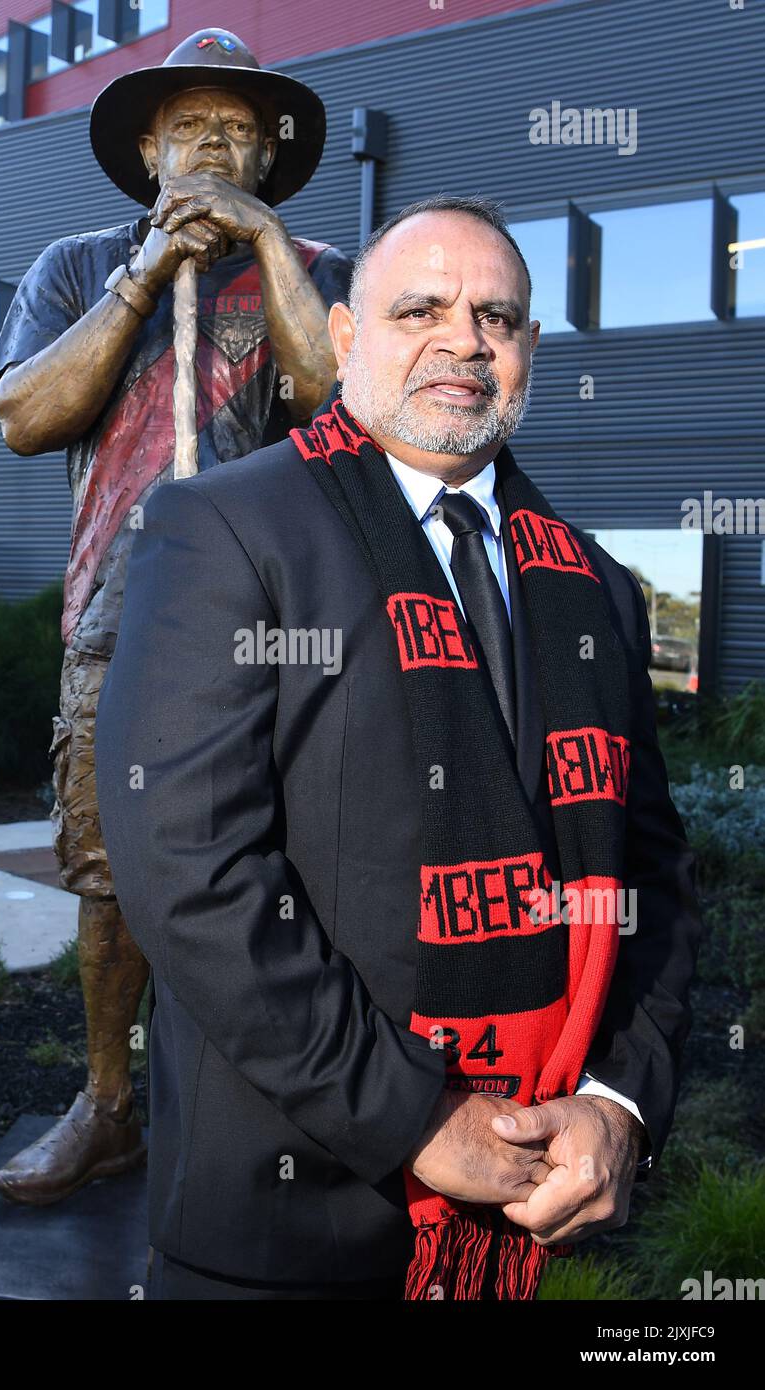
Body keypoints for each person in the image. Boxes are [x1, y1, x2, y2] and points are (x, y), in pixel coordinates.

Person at [94, 194, 702, 1300]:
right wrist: (416, 1115)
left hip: (523, 1219)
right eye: (419, 306)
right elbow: (191, 872)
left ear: (528, 353)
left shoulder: (598, 588)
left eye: (498, 318)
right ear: (341, 340)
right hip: (281, 1235)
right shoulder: (227, 530)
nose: (463, 340)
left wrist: (620, 1105)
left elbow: (651, 879)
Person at [0, 28, 351, 1205]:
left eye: (238, 131)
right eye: (190, 126)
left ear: (267, 159)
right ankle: (107, 1105)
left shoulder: (314, 265)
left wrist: (262, 247)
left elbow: (335, 408)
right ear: (148, 149)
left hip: (281, 613)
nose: (213, 145)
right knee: (110, 874)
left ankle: (272, 1106)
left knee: (290, 858)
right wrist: (143, 275)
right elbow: (27, 415)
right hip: (119, 613)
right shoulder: (72, 262)